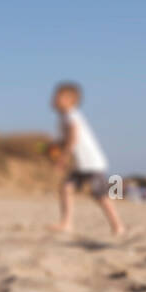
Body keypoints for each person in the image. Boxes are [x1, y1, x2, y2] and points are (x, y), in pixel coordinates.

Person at [47, 82, 125, 235]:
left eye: (58, 96)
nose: (54, 99)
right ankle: (67, 223)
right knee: (66, 188)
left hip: (91, 162)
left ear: (70, 100)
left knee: (100, 195)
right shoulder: (64, 117)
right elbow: (66, 139)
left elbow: (73, 137)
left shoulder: (71, 115)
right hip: (80, 164)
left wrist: (63, 157)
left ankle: (118, 226)